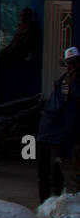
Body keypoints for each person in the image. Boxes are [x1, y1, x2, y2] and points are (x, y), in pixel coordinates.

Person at [36, 46, 80, 203]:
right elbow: (54, 105)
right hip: (47, 131)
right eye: (69, 64)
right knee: (43, 172)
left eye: (74, 64)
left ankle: (55, 203)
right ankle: (44, 204)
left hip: (61, 135)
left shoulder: (74, 83)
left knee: (56, 172)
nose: (72, 68)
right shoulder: (62, 81)